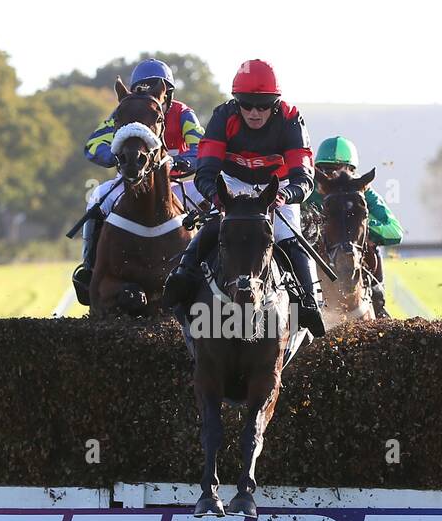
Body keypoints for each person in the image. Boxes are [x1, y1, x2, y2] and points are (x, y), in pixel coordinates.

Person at [163, 59, 325, 335]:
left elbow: (304, 178)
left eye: (262, 105)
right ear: (236, 101)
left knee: (290, 238)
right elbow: (205, 173)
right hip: (232, 185)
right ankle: (181, 282)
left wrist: (286, 194)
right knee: (211, 230)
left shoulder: (290, 120)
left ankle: (310, 304)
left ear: (275, 104)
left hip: (277, 188)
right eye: (246, 103)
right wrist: (217, 196)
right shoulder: (223, 117)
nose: (253, 112)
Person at [72, 59, 206, 304]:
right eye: (141, 89)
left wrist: (184, 162)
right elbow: (93, 145)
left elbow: (202, 147)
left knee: (215, 198)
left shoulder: (183, 113)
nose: (148, 96)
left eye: (155, 89)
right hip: (131, 180)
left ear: (168, 93)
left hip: (175, 182)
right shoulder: (123, 111)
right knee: (97, 196)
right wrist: (119, 157)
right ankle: (89, 266)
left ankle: (217, 269)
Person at [304, 136, 404, 318]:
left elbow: (394, 231)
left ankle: (378, 303)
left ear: (352, 171)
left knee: (371, 246)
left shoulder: (364, 191)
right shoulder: (307, 188)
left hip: (353, 260)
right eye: (325, 170)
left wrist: (359, 224)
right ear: (316, 169)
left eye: (337, 169)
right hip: (314, 253)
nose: (332, 176)